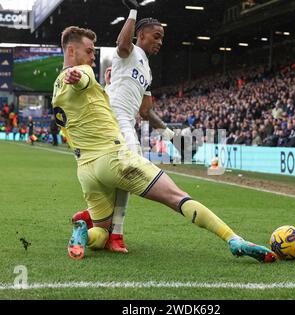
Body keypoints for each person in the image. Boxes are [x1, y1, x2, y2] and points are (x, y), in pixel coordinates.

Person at [52, 23, 276, 263]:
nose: (93, 57)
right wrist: (74, 74)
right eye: (89, 51)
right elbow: (86, 72)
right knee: (178, 198)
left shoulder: (56, 89)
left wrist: (170, 136)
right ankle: (234, 239)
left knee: (101, 233)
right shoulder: (83, 72)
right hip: (114, 157)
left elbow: (135, 108)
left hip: (86, 170)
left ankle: (84, 234)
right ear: (71, 51)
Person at [73, 0, 175, 253]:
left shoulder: (147, 71)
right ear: (141, 35)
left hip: (126, 123)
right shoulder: (128, 52)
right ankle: (115, 234)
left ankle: (89, 218)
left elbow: (146, 110)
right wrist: (133, 11)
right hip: (113, 120)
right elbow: (121, 43)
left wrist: (169, 133)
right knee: (132, 172)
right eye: (156, 36)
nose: (160, 42)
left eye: (162, 38)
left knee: (120, 179)